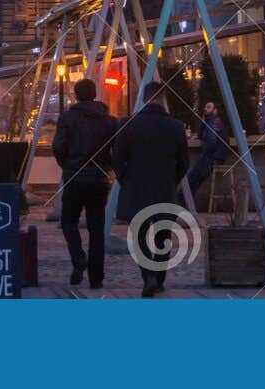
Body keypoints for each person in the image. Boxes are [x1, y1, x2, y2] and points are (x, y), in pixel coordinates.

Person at [113, 82, 189, 298]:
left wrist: (126, 180)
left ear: (144, 99)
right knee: (163, 234)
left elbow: (118, 159)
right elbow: (184, 161)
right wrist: (172, 180)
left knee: (139, 235)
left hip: (136, 186)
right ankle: (159, 276)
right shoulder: (175, 126)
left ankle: (148, 276)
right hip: (164, 186)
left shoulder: (128, 124)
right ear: (162, 98)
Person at [51, 78, 117, 290]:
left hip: (75, 176)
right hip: (98, 179)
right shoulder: (108, 121)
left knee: (69, 221)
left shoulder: (68, 118)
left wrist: (68, 166)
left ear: (77, 95)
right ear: (95, 93)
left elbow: (58, 146)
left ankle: (79, 259)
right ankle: (96, 276)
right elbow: (115, 149)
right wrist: (107, 166)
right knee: (96, 227)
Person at [186, 100, 230, 198]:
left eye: (209, 107)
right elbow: (201, 135)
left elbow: (211, 143)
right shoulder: (210, 122)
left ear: (215, 111)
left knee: (191, 180)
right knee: (193, 181)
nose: (205, 109)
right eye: (205, 107)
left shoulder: (214, 122)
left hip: (213, 158)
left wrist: (205, 156)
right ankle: (184, 204)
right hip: (214, 157)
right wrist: (203, 122)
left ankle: (182, 204)